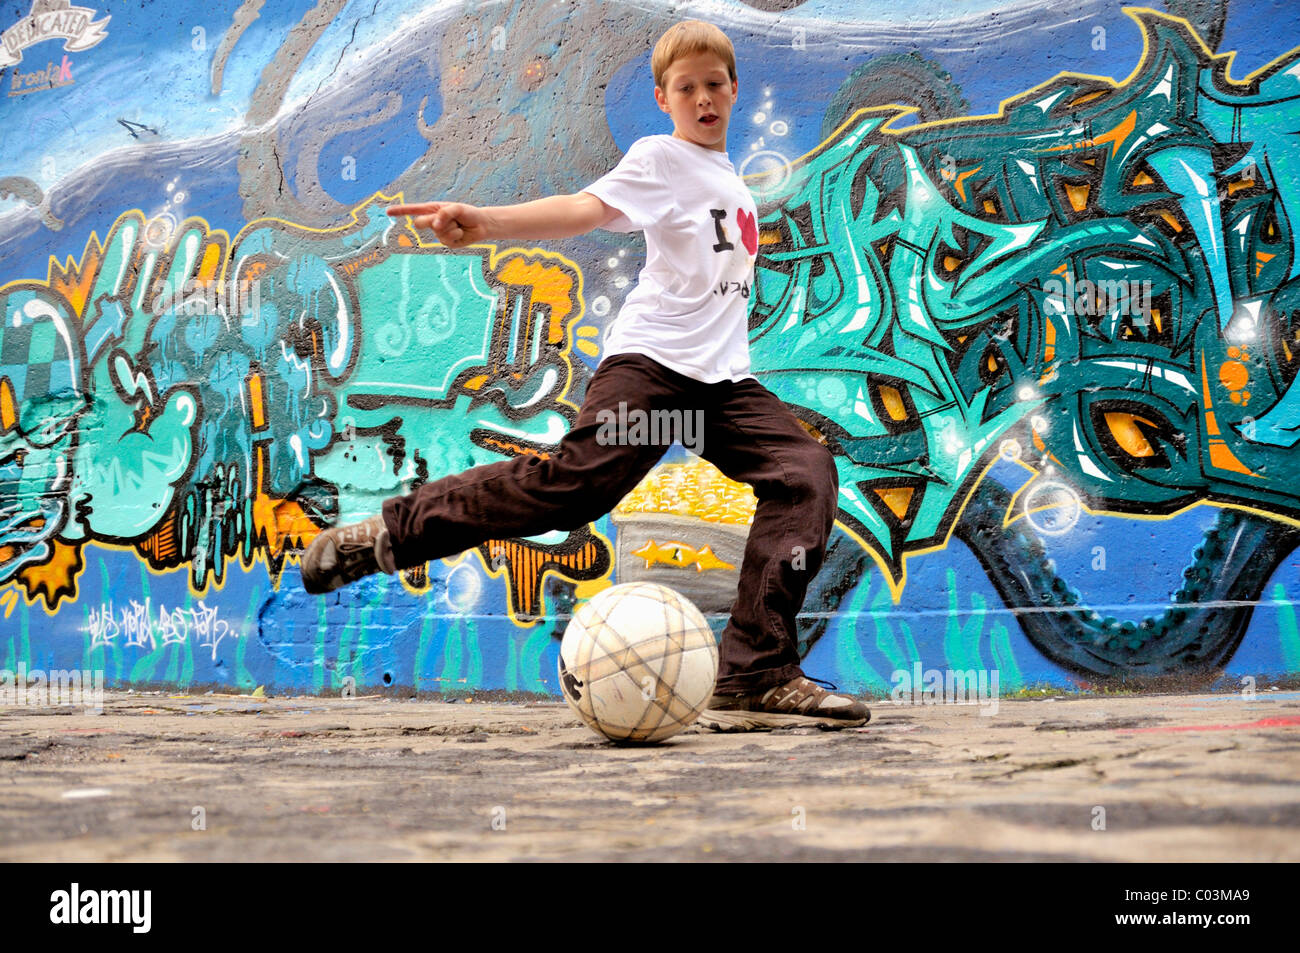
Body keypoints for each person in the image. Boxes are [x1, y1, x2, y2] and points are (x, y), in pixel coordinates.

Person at [302, 20, 869, 731]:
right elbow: (586, 209)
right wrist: (484, 223)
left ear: (733, 89)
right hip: (653, 374)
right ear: (663, 97)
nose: (702, 99)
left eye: (714, 85)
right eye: (685, 87)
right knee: (570, 491)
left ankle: (758, 671)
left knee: (804, 471)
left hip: (723, 389)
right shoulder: (661, 158)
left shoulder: (731, 183)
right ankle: (389, 534)